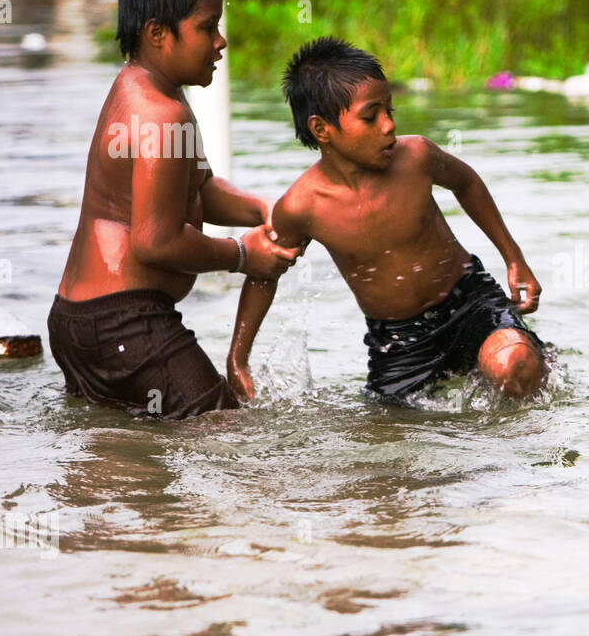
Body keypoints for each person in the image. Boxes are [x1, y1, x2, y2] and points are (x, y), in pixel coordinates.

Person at [48, 0, 300, 419]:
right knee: (227, 435)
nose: (221, 41)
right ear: (158, 33)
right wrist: (242, 256)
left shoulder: (139, 90)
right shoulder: (162, 117)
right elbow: (156, 241)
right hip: (126, 324)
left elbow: (197, 190)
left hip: (77, 320)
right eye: (207, 27)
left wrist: (263, 210)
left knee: (127, 461)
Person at [226, 37, 547, 406]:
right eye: (371, 116)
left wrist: (514, 258)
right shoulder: (302, 206)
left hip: (469, 303)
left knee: (514, 364)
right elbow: (265, 272)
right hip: (398, 341)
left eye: (390, 110)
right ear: (321, 129)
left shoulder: (416, 157)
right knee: (385, 445)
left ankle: (532, 371)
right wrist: (238, 357)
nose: (389, 125)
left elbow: (468, 183)